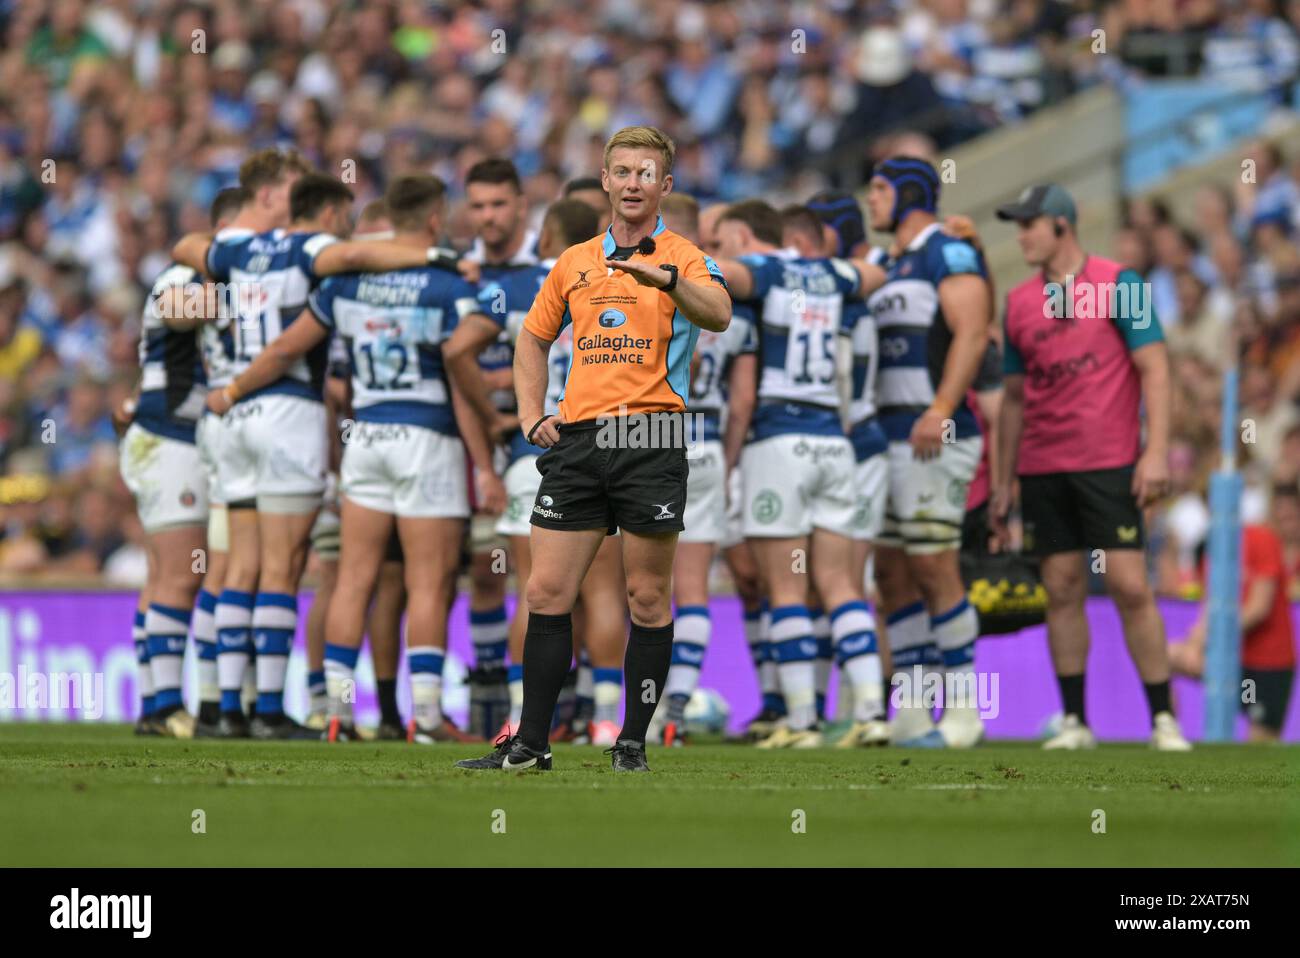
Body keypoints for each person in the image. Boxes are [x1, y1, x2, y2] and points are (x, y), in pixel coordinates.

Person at [457, 125, 731, 772]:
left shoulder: (685, 256)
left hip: (651, 434)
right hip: (578, 439)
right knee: (547, 593)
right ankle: (530, 744)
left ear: (665, 186)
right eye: (622, 172)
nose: (633, 183)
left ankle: (631, 740)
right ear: (605, 181)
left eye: (646, 174)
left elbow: (718, 312)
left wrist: (666, 281)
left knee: (645, 598)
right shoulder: (575, 260)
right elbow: (531, 338)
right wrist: (530, 414)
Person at [206, 174, 504, 744]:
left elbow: (290, 347)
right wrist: (484, 461)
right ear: (436, 222)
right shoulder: (447, 285)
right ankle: (428, 717)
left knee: (351, 580)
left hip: (364, 438)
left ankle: (339, 711)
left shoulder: (345, 285)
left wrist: (233, 390)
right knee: (428, 582)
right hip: (427, 437)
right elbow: (460, 378)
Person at [990, 183, 1191, 751]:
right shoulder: (1020, 303)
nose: (1022, 235)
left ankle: (1163, 720)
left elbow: (1155, 367)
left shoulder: (1118, 283)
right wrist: (1004, 482)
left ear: (1061, 225)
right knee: (1062, 587)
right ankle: (1075, 722)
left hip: (1110, 461)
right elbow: (1013, 399)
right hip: (1043, 465)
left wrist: (1155, 451)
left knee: (1129, 585)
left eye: (1029, 224)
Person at [709, 199, 888, 749]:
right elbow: (875, 274)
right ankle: (872, 712)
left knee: (784, 587)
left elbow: (728, 277)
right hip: (834, 443)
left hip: (778, 442)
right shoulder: (833, 273)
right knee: (839, 583)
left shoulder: (762, 272)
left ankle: (803, 721)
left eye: (722, 241)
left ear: (742, 236)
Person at [865, 157, 992, 749]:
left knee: (935, 564)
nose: (871, 199)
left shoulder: (949, 249)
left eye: (881, 188)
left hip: (934, 434)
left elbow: (972, 329)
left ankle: (965, 709)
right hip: (885, 438)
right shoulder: (885, 263)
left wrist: (940, 407)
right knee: (893, 574)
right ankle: (914, 714)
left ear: (911, 195)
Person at [118, 186, 247, 738]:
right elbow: (174, 309)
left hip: (165, 437)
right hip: (169, 438)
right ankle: (166, 706)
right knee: (180, 574)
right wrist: (251, 299)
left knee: (162, 575)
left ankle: (155, 702)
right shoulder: (181, 279)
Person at [1169, 523, 1295, 743]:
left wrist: (1207, 637)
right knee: (1165, 658)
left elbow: (1258, 609)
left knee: (1261, 747)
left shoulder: (1260, 539)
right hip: (1227, 662)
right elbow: (1211, 605)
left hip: (1265, 666)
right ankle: (1168, 733)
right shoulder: (1214, 547)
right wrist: (1195, 644)